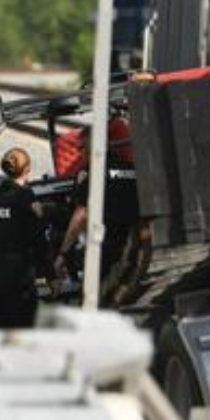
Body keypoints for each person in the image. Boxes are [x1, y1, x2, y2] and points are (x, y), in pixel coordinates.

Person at [53, 119, 139, 305]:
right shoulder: (131, 169)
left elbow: (82, 213)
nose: (80, 152)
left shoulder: (94, 173)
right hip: (134, 248)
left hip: (105, 251)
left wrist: (63, 253)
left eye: (82, 147)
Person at [0, 148, 46, 329]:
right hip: (17, 275)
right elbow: (38, 237)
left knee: (0, 329)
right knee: (23, 329)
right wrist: (49, 271)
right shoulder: (26, 197)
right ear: (28, 169)